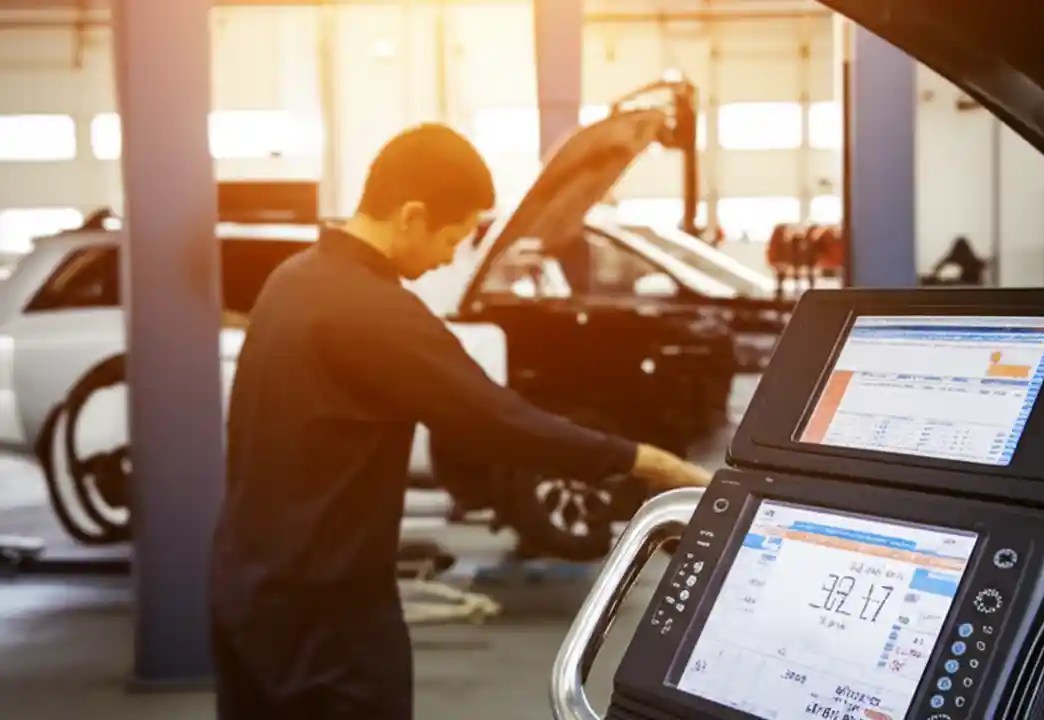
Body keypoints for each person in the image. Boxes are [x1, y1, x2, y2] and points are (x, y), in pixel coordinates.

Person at [209, 124, 712, 720]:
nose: (451, 256)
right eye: (455, 237)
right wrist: (648, 462)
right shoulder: (373, 311)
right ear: (412, 216)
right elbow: (499, 422)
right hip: (327, 623)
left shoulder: (292, 281)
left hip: (246, 597)